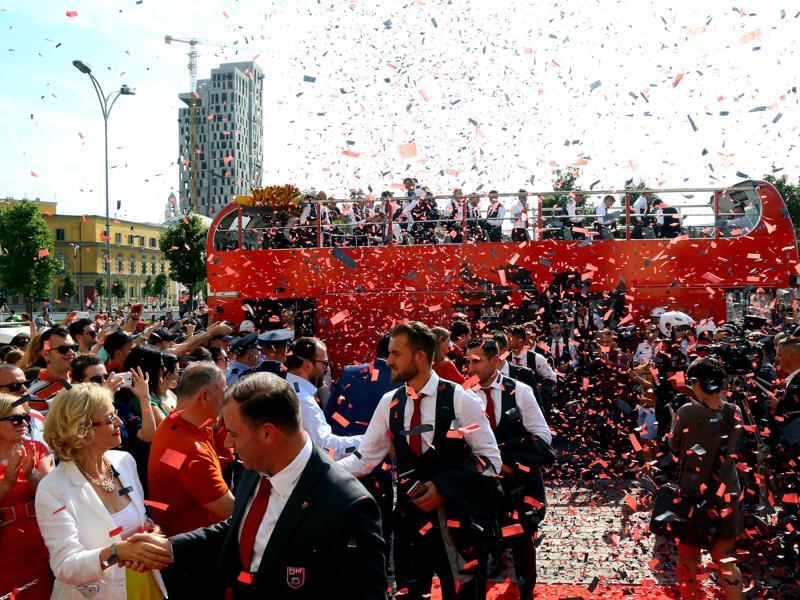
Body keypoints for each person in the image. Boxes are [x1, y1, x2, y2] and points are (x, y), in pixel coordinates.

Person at [131, 372, 388, 599]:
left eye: (234, 434)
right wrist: (170, 547)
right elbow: (239, 527)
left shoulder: (347, 505)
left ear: (267, 433)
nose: (229, 445)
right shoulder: (255, 468)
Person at [338, 322, 502, 599]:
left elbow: (490, 460)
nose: (388, 360)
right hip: (409, 528)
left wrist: (443, 488)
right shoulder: (390, 402)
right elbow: (364, 460)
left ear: (420, 357)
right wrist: (318, 471)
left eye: (395, 354)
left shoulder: (461, 400)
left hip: (458, 528)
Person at [35, 384, 172, 600]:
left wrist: (149, 532)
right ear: (81, 429)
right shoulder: (53, 488)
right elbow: (65, 565)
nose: (120, 422)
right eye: (109, 419)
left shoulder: (125, 461)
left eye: (115, 414)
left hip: (145, 585)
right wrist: (117, 552)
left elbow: (141, 519)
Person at [466, 339, 551, 599]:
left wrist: (508, 460)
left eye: (475, 361)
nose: (469, 367)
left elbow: (542, 436)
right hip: (483, 486)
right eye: (468, 360)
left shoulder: (521, 390)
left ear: (495, 361)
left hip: (519, 485)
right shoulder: (463, 394)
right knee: (478, 546)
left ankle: (526, 593)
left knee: (523, 543)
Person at [147, 363, 233, 598]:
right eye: (224, 392)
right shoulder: (188, 450)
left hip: (186, 549)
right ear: (205, 396)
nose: (227, 399)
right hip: (194, 558)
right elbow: (231, 509)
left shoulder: (181, 422)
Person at [667, 357, 743, 599]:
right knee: (725, 559)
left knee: (688, 556)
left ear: (698, 383)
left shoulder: (686, 411)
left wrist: (673, 421)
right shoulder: (735, 411)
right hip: (727, 493)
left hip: (693, 494)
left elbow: (675, 446)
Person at [325, 333, 399, 567]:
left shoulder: (348, 372)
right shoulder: (398, 381)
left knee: (345, 517)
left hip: (342, 460)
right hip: (379, 462)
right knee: (379, 518)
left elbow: (329, 415)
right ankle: (380, 563)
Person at [0, 393, 53, 600]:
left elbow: (53, 497)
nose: (23, 424)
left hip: (38, 542)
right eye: (15, 419)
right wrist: (7, 484)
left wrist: (31, 474)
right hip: (5, 548)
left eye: (26, 418)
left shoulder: (36, 448)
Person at [285, 337, 362, 460]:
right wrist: (369, 440)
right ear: (307, 365)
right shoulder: (303, 400)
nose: (326, 369)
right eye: (325, 363)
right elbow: (327, 448)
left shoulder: (288, 386)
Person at [27, 327, 76, 415]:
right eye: (63, 349)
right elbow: (43, 427)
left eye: (73, 347)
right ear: (46, 355)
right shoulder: (35, 394)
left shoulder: (83, 376)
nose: (71, 352)